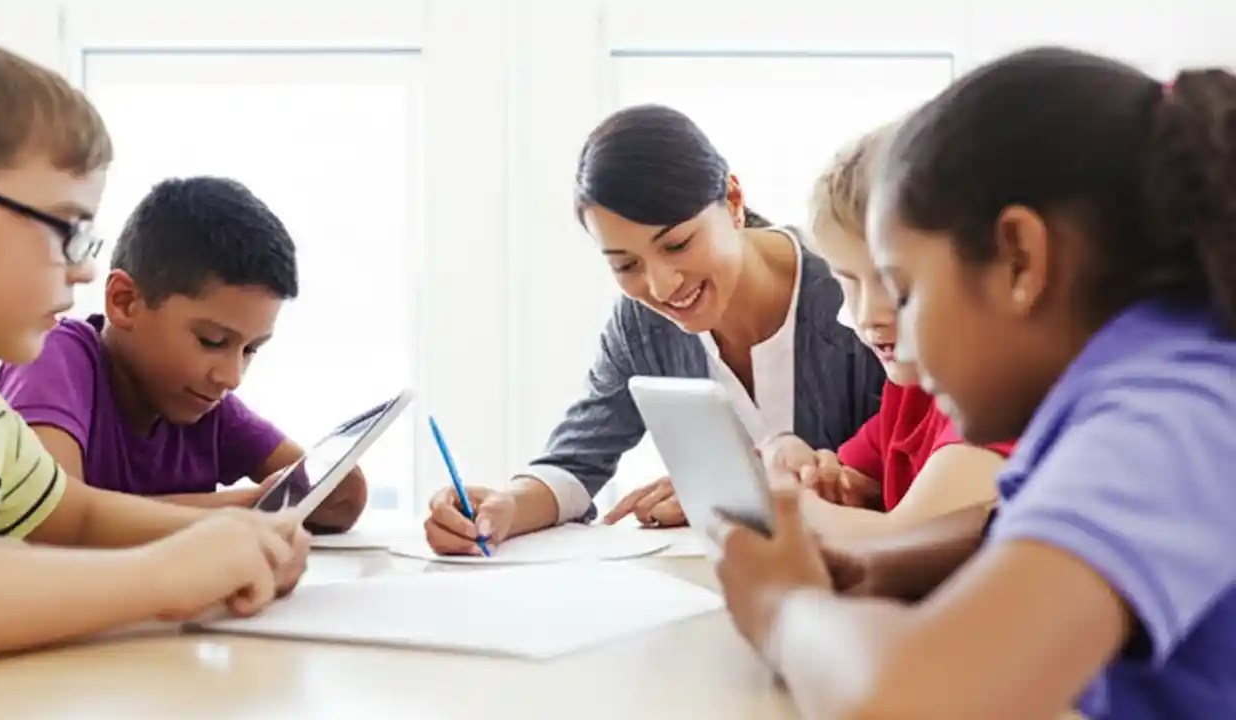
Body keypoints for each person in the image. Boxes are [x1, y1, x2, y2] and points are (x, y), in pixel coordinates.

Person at [712, 47, 1236, 719]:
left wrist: (784, 612)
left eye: (903, 289)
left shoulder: (1173, 417)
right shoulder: (1152, 381)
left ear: (1018, 259)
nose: (893, 326)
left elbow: (912, 701)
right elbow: (1005, 524)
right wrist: (879, 568)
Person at [0, 34, 308, 660]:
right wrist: (162, 576)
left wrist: (240, 536)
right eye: (64, 227)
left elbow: (78, 516)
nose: (83, 269)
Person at [425, 104, 885, 555]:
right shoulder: (641, 324)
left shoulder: (855, 290)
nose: (661, 285)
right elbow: (578, 459)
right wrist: (505, 506)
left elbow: (918, 476)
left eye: (678, 244)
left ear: (733, 201)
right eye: (626, 264)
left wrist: (738, 499)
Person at [0, 177, 367, 532]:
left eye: (250, 349)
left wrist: (329, 483)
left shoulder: (206, 406)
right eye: (212, 340)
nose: (231, 377)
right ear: (125, 302)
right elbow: (52, 517)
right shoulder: (52, 356)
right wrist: (250, 508)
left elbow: (340, 504)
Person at [757, 125, 1012, 541]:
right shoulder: (912, 388)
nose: (867, 315)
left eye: (892, 281)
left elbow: (898, 540)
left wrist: (783, 498)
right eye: (848, 281)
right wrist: (807, 469)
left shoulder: (1000, 403)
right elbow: (849, 479)